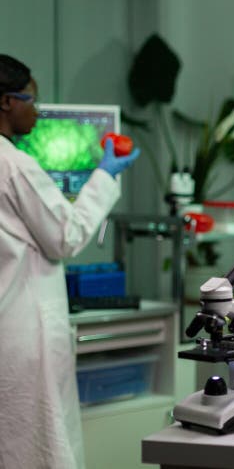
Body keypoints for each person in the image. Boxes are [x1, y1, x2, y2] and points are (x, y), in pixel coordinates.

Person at [0, 54, 140, 469]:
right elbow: (66, 236)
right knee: (33, 442)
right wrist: (107, 174)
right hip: (23, 330)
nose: (36, 111)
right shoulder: (15, 166)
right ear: (6, 102)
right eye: (30, 100)